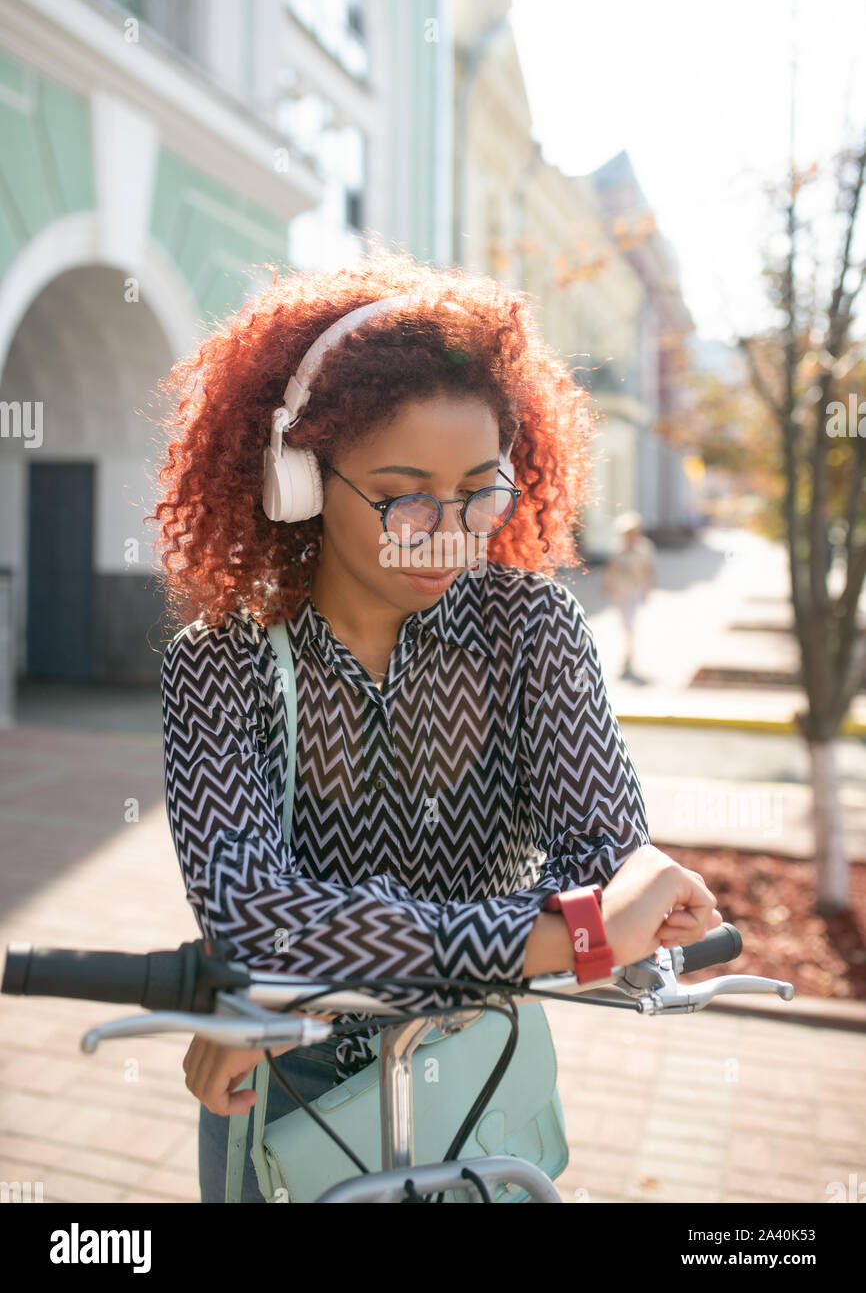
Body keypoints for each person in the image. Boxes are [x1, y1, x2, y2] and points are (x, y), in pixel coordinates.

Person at [150, 249, 721, 1203]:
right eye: (406, 493)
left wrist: (283, 966)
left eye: (480, 490)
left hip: (473, 1088)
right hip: (285, 1102)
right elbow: (255, 916)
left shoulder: (530, 625)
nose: (453, 530)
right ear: (298, 477)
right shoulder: (221, 659)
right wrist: (568, 934)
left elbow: (608, 861)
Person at [602, 512, 656, 679]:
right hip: (621, 591)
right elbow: (611, 568)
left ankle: (629, 655)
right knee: (624, 623)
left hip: (635, 590)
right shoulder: (618, 549)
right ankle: (627, 653)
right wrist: (608, 585)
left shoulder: (644, 548)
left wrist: (648, 590)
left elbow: (649, 570)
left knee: (629, 624)